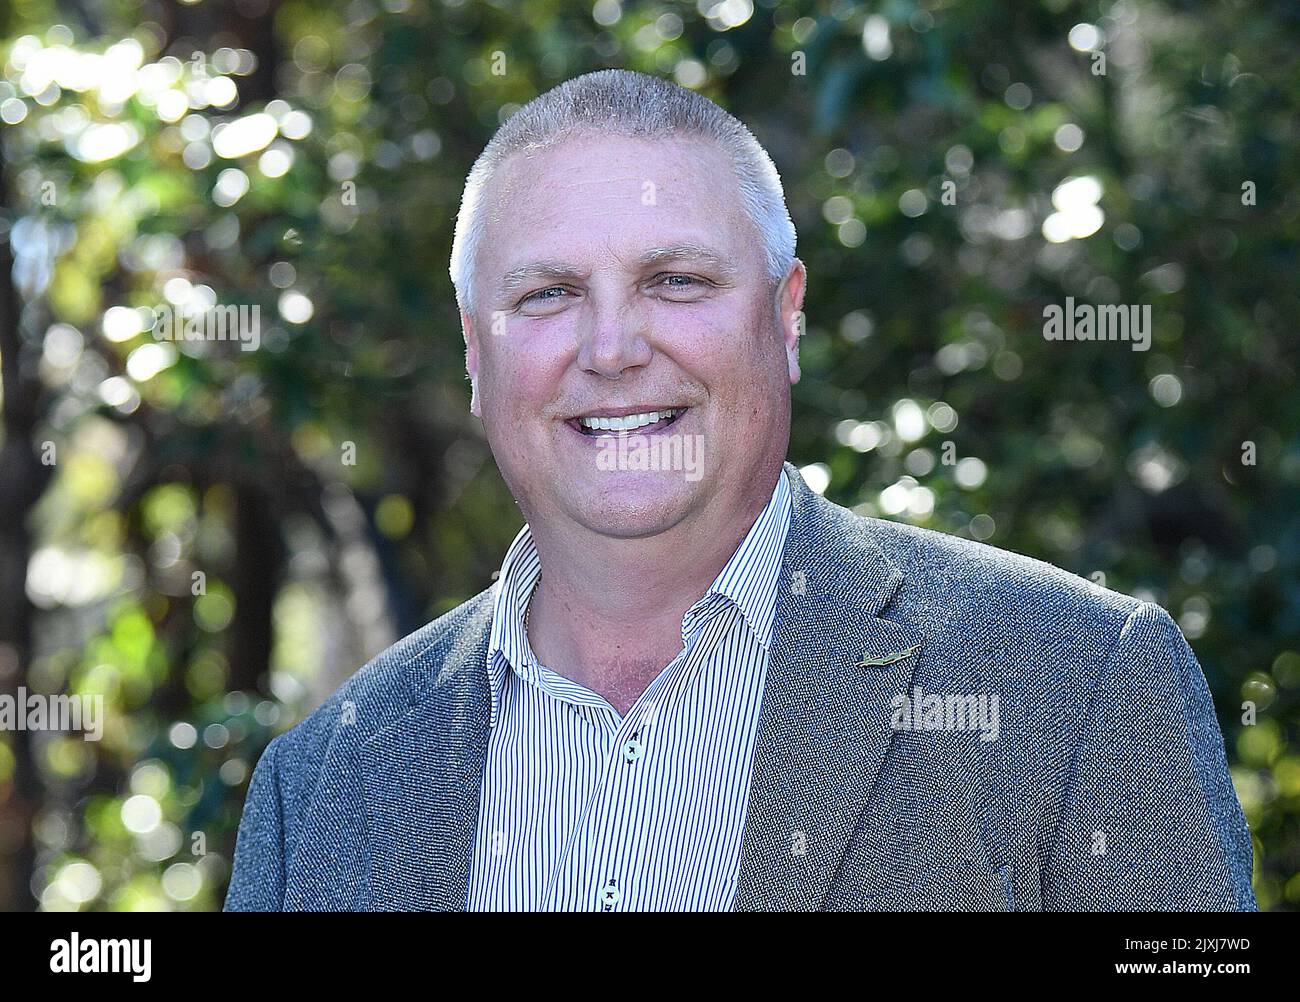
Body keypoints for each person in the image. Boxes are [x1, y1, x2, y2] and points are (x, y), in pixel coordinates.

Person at [225, 69, 1255, 911]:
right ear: (473, 349)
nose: (614, 348)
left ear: (787, 315)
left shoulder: (1074, 687)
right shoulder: (319, 789)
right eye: (547, 294)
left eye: (677, 281)